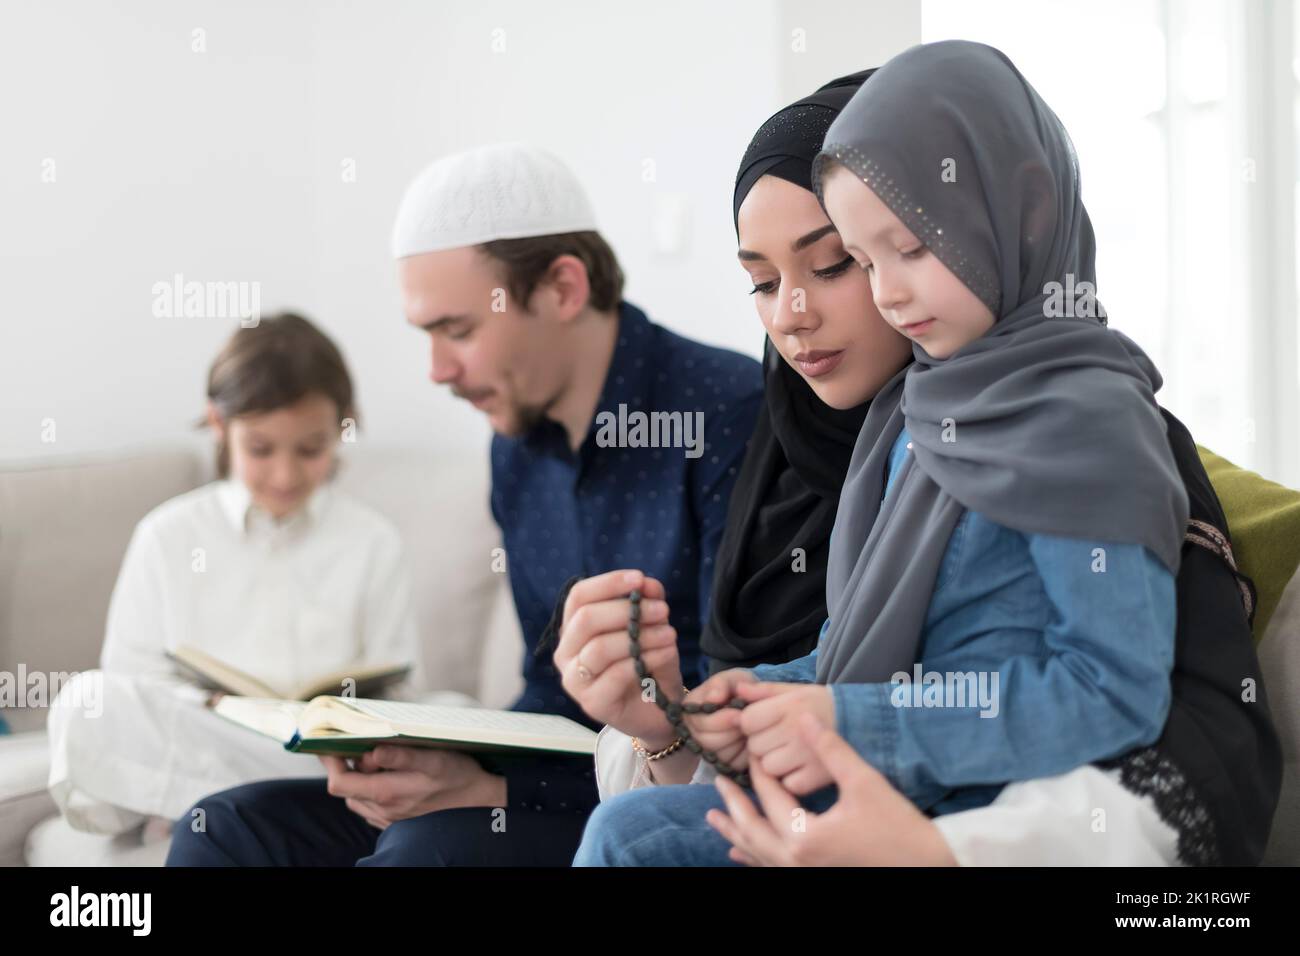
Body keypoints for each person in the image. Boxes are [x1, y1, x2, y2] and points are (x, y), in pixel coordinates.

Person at [566, 52, 1280, 866]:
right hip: (866, 784)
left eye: (838, 262)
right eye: (763, 282)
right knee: (626, 833)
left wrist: (868, 757)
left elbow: (1128, 712)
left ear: (1022, 213)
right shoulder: (906, 418)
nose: (880, 296)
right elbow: (852, 649)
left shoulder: (1085, 422)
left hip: (952, 810)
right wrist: (720, 711)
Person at [164, 143, 764, 866]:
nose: (437, 371)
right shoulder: (513, 446)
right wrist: (440, 764)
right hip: (546, 785)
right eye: (428, 335)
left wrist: (497, 794)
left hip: (660, 806)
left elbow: (738, 715)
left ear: (563, 289)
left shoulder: (728, 414)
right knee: (225, 825)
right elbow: (550, 694)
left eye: (458, 330)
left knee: (427, 847)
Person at [48, 313, 421, 839]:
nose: (286, 474)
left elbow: (402, 687)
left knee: (455, 712)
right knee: (88, 704)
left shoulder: (373, 541)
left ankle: (203, 797)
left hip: (326, 762)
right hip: (213, 737)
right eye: (262, 449)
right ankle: (254, 799)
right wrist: (210, 705)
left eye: (311, 449)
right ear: (220, 426)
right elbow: (132, 680)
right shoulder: (167, 535)